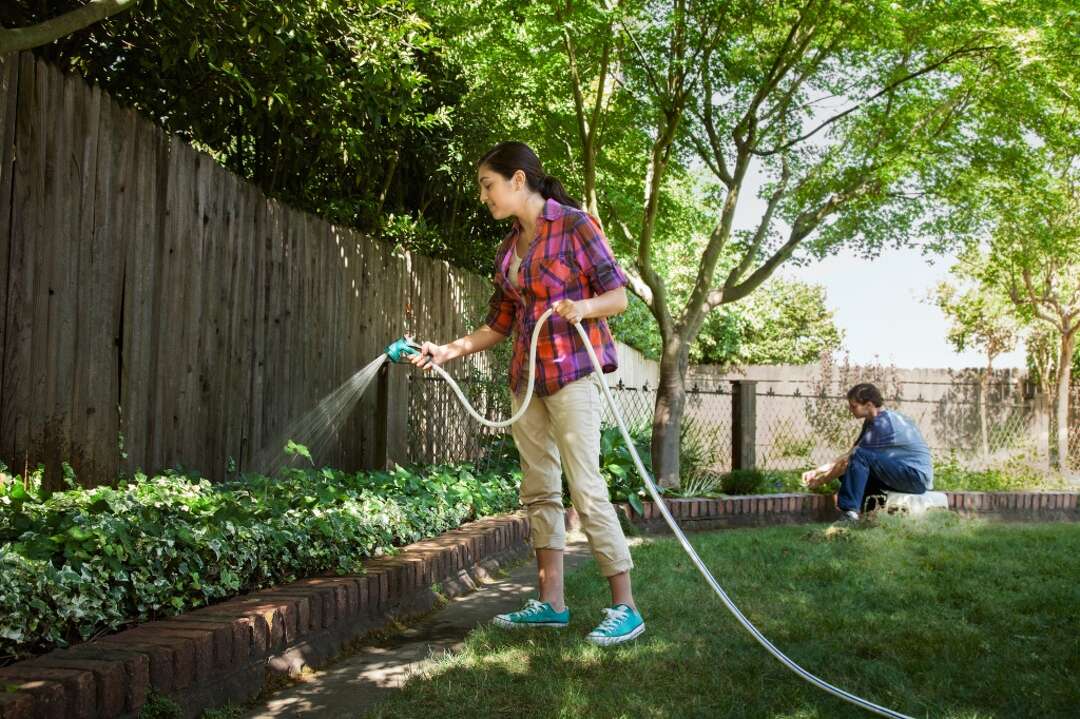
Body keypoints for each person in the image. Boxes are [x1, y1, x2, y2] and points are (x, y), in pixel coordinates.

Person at [408, 141, 644, 646]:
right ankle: (552, 604)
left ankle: (625, 607)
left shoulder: (576, 225)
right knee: (539, 489)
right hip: (525, 379)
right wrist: (445, 351)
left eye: (487, 185)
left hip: (571, 372)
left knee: (586, 486)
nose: (483, 196)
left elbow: (619, 296)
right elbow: (498, 324)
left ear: (518, 180)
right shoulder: (508, 249)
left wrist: (583, 307)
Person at [802, 383, 933, 521]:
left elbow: (851, 459)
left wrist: (821, 481)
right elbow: (850, 453)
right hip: (903, 473)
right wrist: (816, 471)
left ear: (869, 405)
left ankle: (849, 513)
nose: (850, 409)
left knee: (856, 461)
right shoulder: (872, 421)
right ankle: (868, 513)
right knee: (851, 470)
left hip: (915, 477)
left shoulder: (882, 425)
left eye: (854, 406)